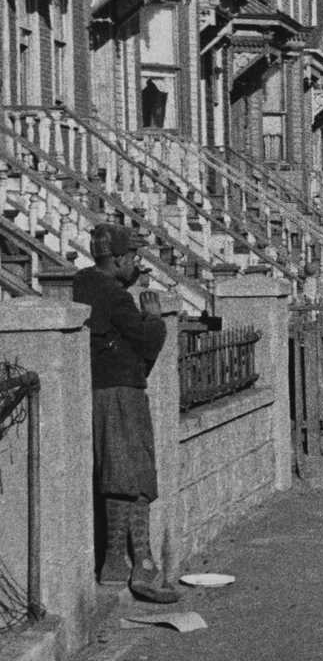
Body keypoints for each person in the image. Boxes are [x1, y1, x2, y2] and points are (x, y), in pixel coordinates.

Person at [72, 223, 178, 603]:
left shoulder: (83, 284)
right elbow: (147, 341)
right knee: (137, 474)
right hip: (122, 392)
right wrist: (155, 318)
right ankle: (142, 564)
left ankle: (116, 563)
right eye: (132, 257)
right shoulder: (115, 296)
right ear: (116, 259)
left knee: (119, 472)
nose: (136, 263)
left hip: (102, 391)